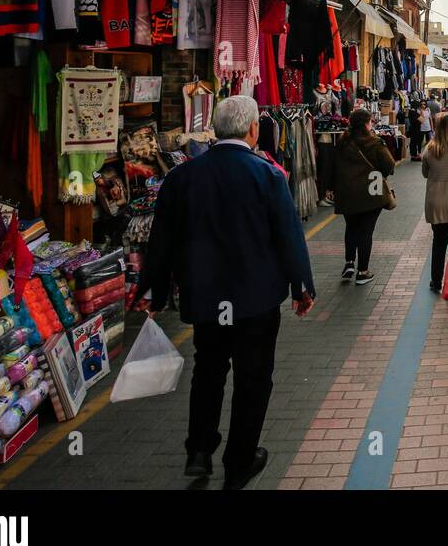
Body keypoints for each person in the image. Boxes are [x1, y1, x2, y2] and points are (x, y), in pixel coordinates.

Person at [143, 95, 315, 490]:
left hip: (206, 298)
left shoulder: (183, 177)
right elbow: (288, 237)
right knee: (253, 379)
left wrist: (153, 291)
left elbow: (162, 240)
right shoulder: (267, 175)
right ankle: (239, 460)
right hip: (255, 300)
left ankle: (199, 451)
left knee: (208, 371)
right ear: (253, 129)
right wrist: (301, 286)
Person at [328, 107, 396, 285]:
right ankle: (362, 271)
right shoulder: (374, 143)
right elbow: (389, 165)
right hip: (371, 193)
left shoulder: (342, 142)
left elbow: (332, 167)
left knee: (351, 228)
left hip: (347, 193)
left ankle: (349, 263)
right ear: (367, 124)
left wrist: (330, 187)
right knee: (366, 232)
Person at [421, 111, 448, 293]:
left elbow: (425, 173)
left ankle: (435, 281)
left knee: (438, 243)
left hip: (435, 202)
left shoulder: (430, 149)